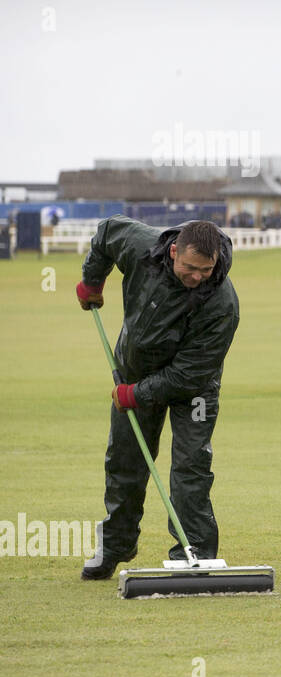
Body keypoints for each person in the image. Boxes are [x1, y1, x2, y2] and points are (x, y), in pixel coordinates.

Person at [75, 216, 239, 580]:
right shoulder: (138, 243)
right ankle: (116, 545)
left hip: (193, 387)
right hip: (135, 369)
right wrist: (92, 279)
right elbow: (104, 235)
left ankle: (192, 553)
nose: (197, 277)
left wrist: (136, 394)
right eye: (190, 268)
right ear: (174, 250)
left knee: (191, 467)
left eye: (206, 271)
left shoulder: (223, 303)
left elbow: (188, 374)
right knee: (124, 462)